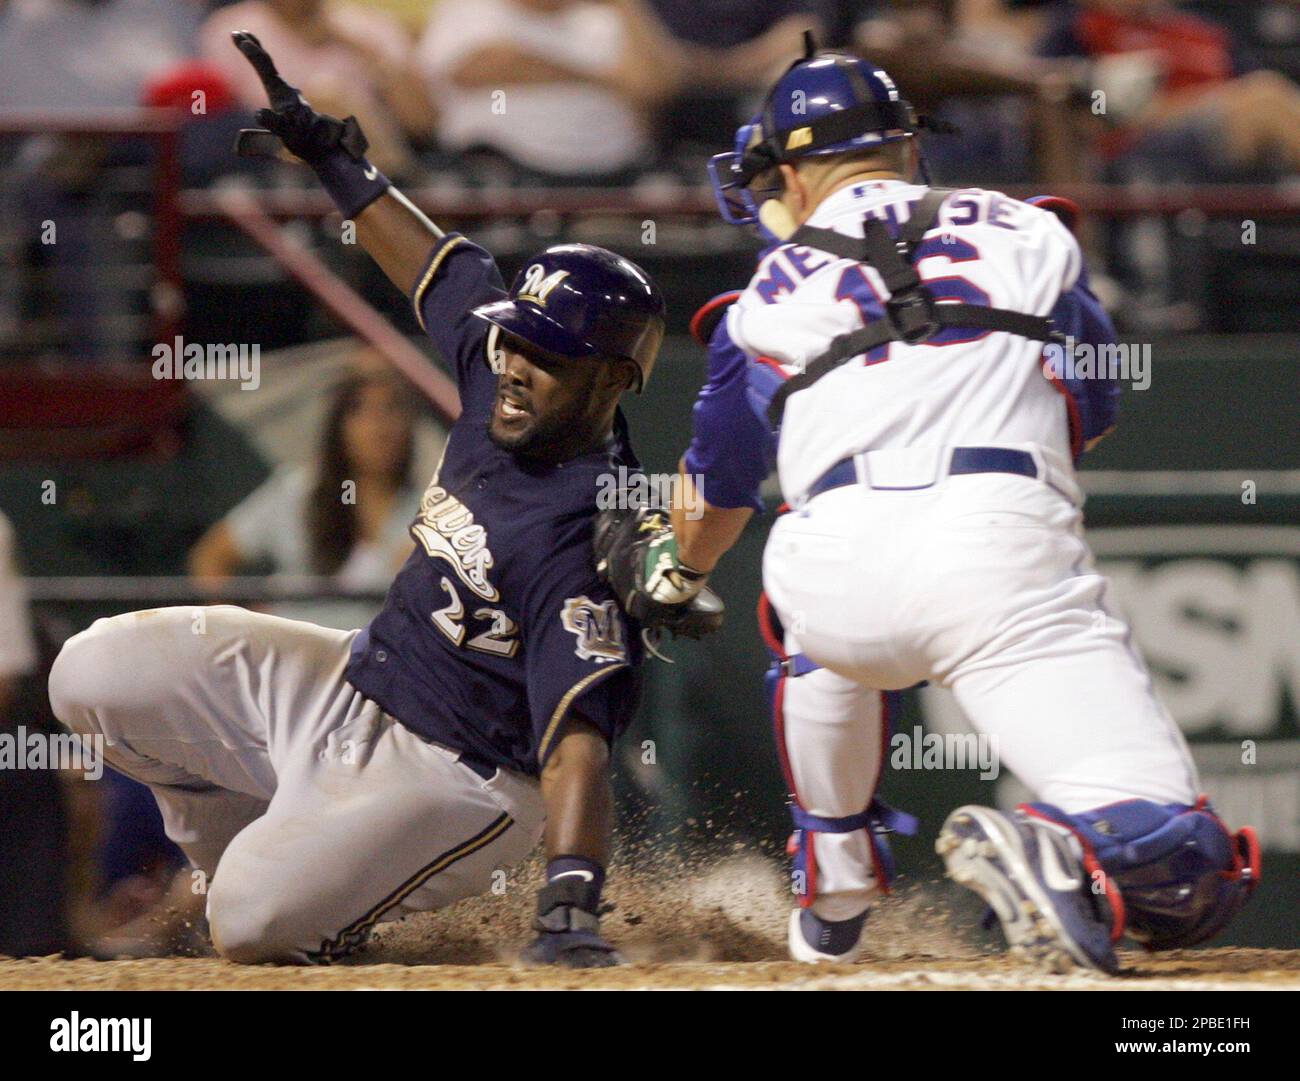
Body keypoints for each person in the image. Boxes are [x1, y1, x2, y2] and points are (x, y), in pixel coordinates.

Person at [49, 30, 683, 968]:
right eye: (517, 341)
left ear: (612, 380)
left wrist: (569, 904)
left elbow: (576, 747)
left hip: (460, 777)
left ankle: (314, 900)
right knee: (88, 675)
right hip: (350, 678)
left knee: (253, 927)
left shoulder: (588, 524)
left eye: (547, 357)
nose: (515, 364)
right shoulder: (495, 363)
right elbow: (436, 268)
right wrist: (336, 162)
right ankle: (269, 855)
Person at [623, 45, 1259, 971]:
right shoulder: (1032, 231)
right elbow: (1093, 408)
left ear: (790, 174)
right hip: (996, 559)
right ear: (909, 149)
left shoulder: (764, 293)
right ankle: (1063, 847)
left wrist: (679, 570)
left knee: (798, 625)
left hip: (833, 578)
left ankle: (832, 893)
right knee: (1180, 868)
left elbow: (717, 492)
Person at [188, 365, 422, 630]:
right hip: (291, 659)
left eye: (391, 409)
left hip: (373, 663)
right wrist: (234, 629)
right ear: (339, 424)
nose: (379, 427)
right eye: (361, 410)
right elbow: (211, 556)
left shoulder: (430, 510)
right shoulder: (298, 492)